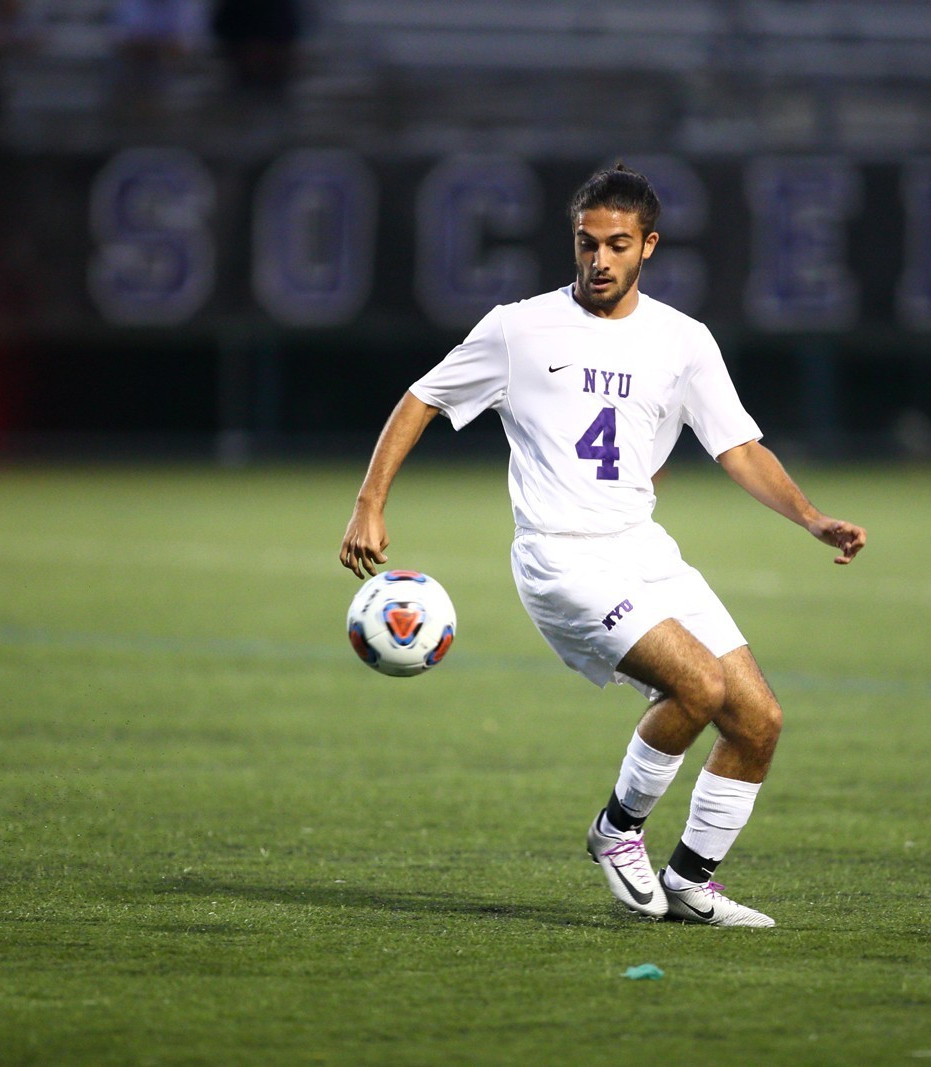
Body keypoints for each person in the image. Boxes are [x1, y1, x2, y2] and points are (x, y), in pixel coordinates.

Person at [338, 165, 866, 928]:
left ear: (648, 246)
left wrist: (813, 518)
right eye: (586, 243)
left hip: (642, 548)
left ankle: (691, 880)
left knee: (758, 719)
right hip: (561, 557)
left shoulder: (683, 340)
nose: (599, 259)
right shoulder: (519, 328)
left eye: (618, 244)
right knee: (698, 688)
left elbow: (740, 448)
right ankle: (618, 831)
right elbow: (423, 396)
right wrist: (369, 503)